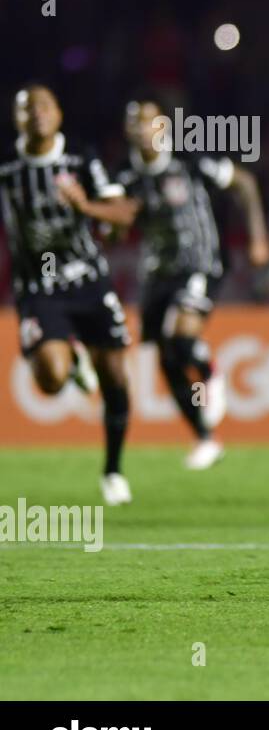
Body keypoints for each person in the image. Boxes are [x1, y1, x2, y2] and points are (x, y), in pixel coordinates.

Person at [114, 99, 269, 470]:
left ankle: (212, 375)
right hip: (156, 273)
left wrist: (258, 237)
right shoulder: (124, 177)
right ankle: (205, 437)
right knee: (167, 358)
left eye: (150, 122)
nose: (143, 130)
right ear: (127, 131)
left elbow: (244, 182)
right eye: (136, 123)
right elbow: (116, 230)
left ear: (164, 127)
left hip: (200, 262)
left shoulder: (189, 161)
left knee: (182, 336)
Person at [1, 84, 137, 503]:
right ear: (16, 118)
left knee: (114, 377)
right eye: (27, 109)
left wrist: (86, 207)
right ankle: (74, 359)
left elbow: (124, 214)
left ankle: (113, 471)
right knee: (50, 379)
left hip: (88, 280)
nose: (36, 114)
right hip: (38, 288)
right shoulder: (7, 167)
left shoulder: (82, 158)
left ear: (58, 112)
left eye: (44, 106)